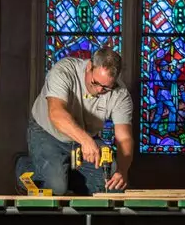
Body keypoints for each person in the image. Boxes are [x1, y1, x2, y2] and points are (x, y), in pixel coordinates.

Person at [19, 47, 134, 195]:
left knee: (112, 186)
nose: (99, 90)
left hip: (84, 139)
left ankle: (66, 174)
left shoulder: (121, 94)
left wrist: (122, 171)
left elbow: (124, 138)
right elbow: (56, 113)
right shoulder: (64, 71)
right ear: (89, 67)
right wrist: (86, 140)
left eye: (106, 88)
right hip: (47, 132)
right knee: (55, 188)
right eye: (95, 83)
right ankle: (24, 167)